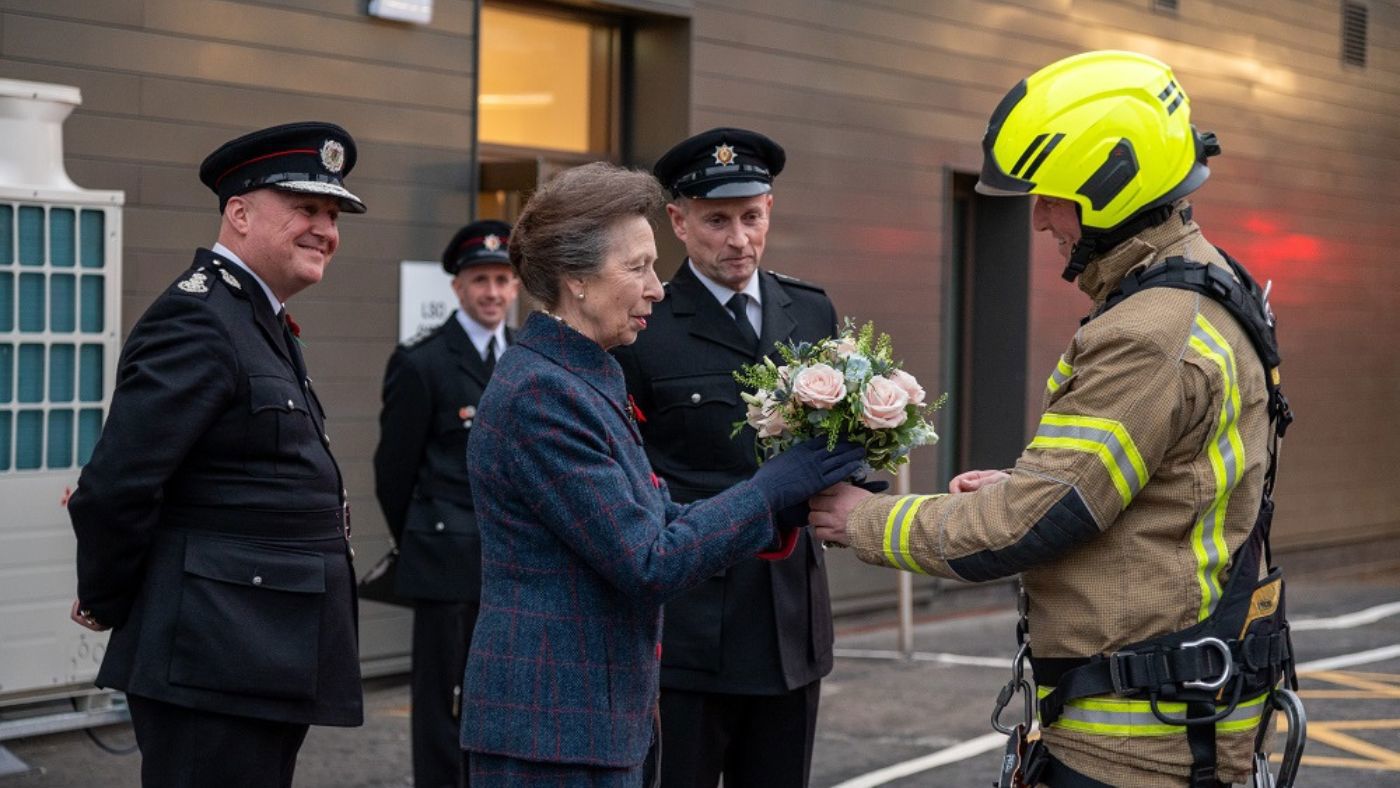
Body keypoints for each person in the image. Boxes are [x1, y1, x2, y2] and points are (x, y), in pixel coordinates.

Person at [811, 51, 1292, 787]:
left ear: (1111, 191)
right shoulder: (1203, 285)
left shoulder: (1150, 331)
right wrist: (1028, 482)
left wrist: (863, 520)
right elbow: (1168, 485)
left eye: (1051, 196)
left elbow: (1028, 526)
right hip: (1172, 725)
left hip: (1133, 754)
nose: (1037, 217)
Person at [458, 162, 865, 787]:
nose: (657, 287)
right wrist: (767, 489)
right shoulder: (543, 393)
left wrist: (789, 500)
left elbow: (654, 514)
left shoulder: (583, 372)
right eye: (638, 267)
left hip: (589, 719)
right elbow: (646, 558)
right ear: (576, 279)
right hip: (555, 727)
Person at [67, 121, 367, 788]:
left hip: (256, 654)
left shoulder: (258, 320)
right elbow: (118, 483)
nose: (326, 229)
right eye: (306, 209)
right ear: (239, 213)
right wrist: (109, 598)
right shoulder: (199, 319)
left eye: (332, 214)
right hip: (215, 658)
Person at [612, 127, 838, 788]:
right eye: (717, 220)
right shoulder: (644, 326)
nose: (738, 239)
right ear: (678, 222)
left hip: (789, 622)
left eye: (752, 216)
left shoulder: (812, 311)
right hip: (690, 630)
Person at [374, 220, 519, 788]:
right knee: (441, 706)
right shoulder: (423, 362)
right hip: (446, 562)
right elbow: (394, 473)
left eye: (503, 279)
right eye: (480, 279)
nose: (492, 293)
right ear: (457, 288)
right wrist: (428, 539)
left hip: (514, 563)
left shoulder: (530, 356)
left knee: (507, 698)